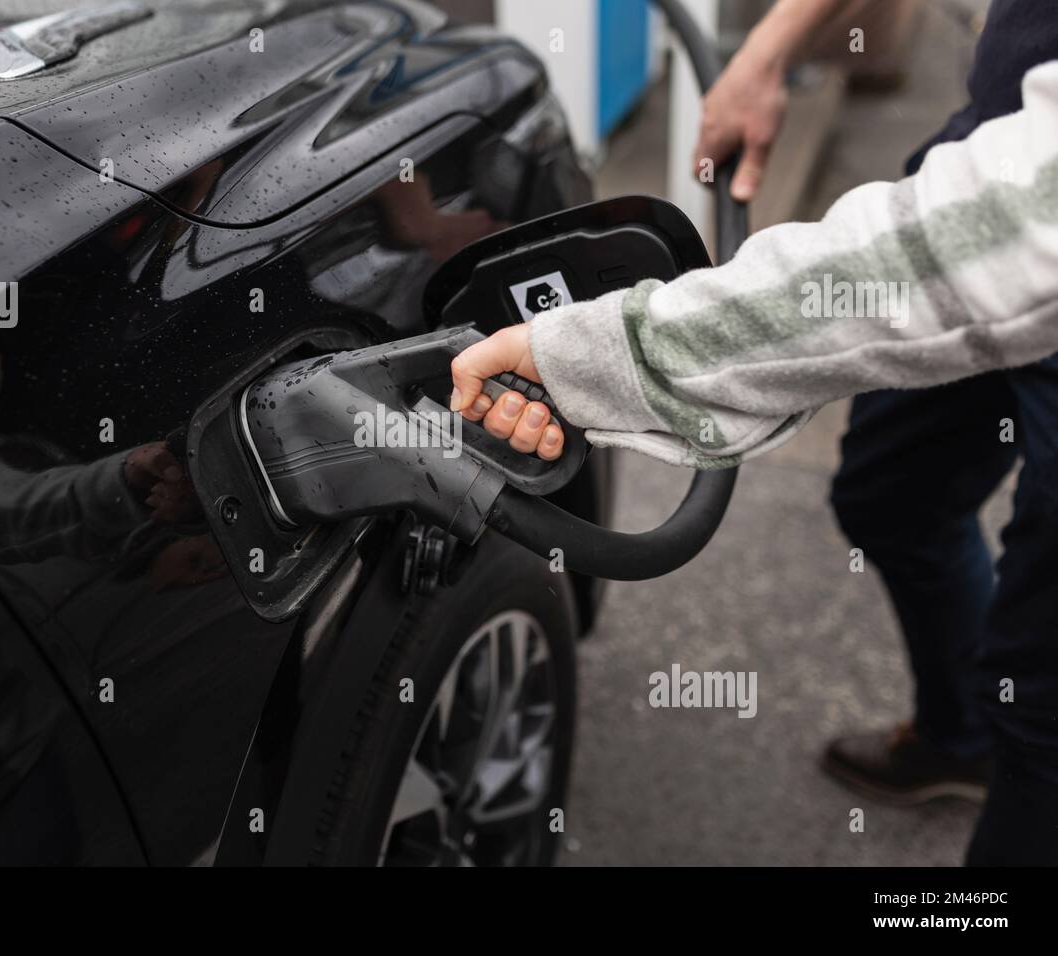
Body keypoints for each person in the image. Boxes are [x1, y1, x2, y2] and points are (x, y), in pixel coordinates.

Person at [447, 50, 1058, 864]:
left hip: (1004, 230)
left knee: (1044, 691)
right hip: (982, 158)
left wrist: (613, 352)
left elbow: (1014, 231)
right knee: (890, 495)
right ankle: (963, 735)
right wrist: (770, 54)